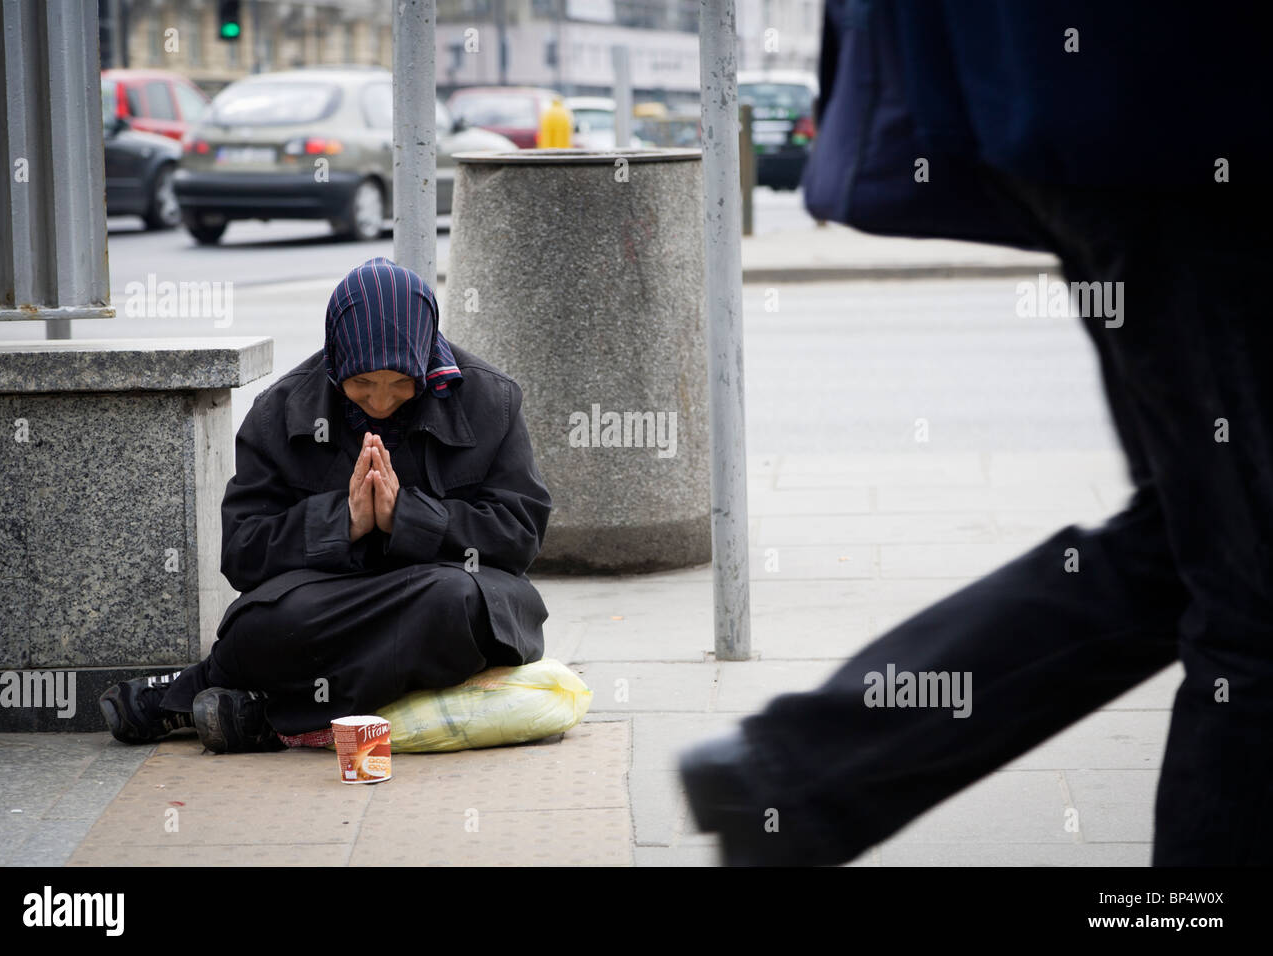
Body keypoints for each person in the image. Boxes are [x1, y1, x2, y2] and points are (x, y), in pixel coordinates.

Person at [680, 1, 1273, 865]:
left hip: (1101, 105)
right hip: (1182, 117)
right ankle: (795, 769)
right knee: (1249, 595)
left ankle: (796, 770)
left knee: (1207, 545)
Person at [100, 257, 552, 753]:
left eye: (401, 383)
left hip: (439, 589)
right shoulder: (281, 410)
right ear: (337, 361)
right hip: (333, 599)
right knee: (259, 624)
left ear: (424, 357)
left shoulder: (491, 399)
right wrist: (348, 522)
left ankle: (250, 711)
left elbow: (520, 533)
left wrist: (409, 518)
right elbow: (244, 551)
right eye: (362, 384)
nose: (380, 401)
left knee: (454, 607)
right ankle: (260, 710)